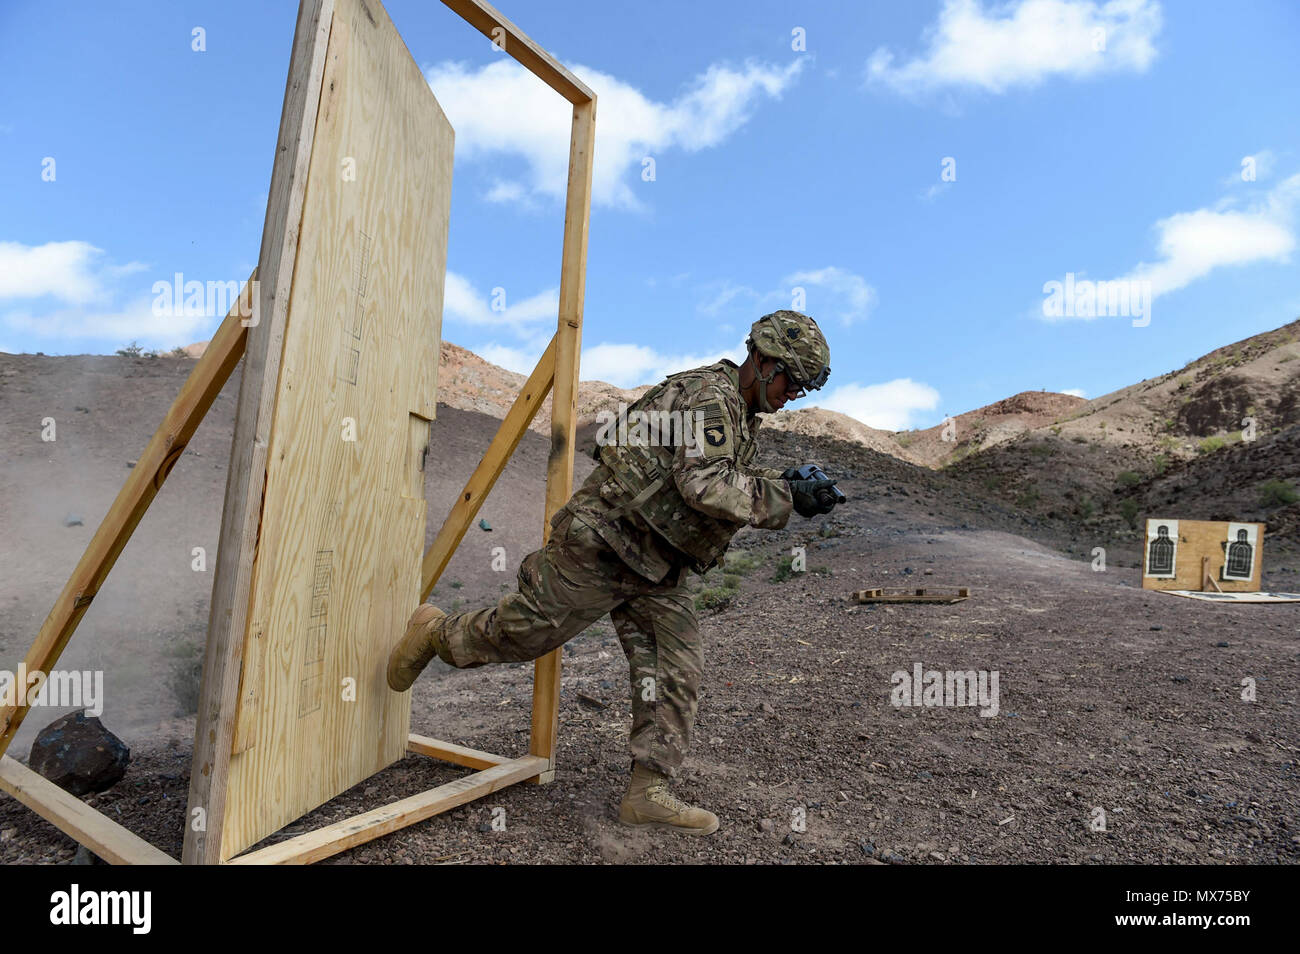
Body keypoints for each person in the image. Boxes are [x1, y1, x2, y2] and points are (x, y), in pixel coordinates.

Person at [387, 309, 840, 835]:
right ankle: (436, 632)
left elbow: (714, 475)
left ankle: (647, 790)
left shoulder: (739, 415)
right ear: (761, 359)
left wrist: (785, 480)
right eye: (790, 381)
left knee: (675, 668)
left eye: (801, 390)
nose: (790, 396)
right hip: (605, 542)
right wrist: (787, 496)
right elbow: (704, 486)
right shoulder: (712, 397)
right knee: (524, 633)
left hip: (656, 563)